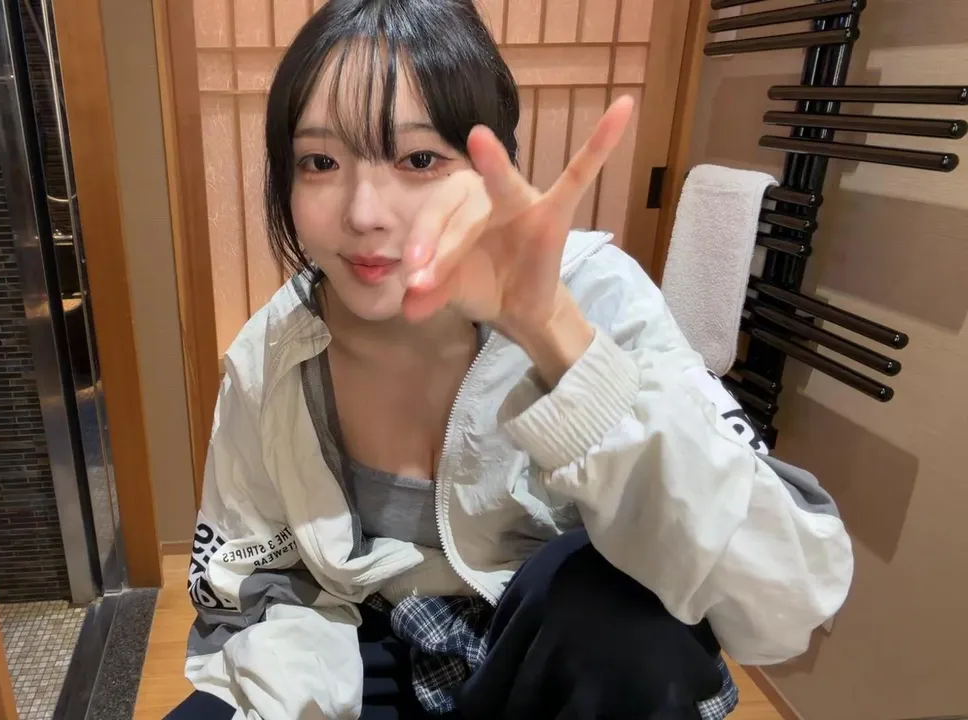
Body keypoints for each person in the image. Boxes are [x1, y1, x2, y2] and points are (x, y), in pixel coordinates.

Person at [174, 1, 853, 718]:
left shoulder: (593, 295)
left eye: (419, 159)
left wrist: (554, 334)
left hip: (554, 663)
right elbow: (253, 585)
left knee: (613, 610)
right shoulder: (273, 354)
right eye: (321, 162)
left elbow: (787, 600)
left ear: (490, 165)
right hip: (360, 646)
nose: (364, 213)